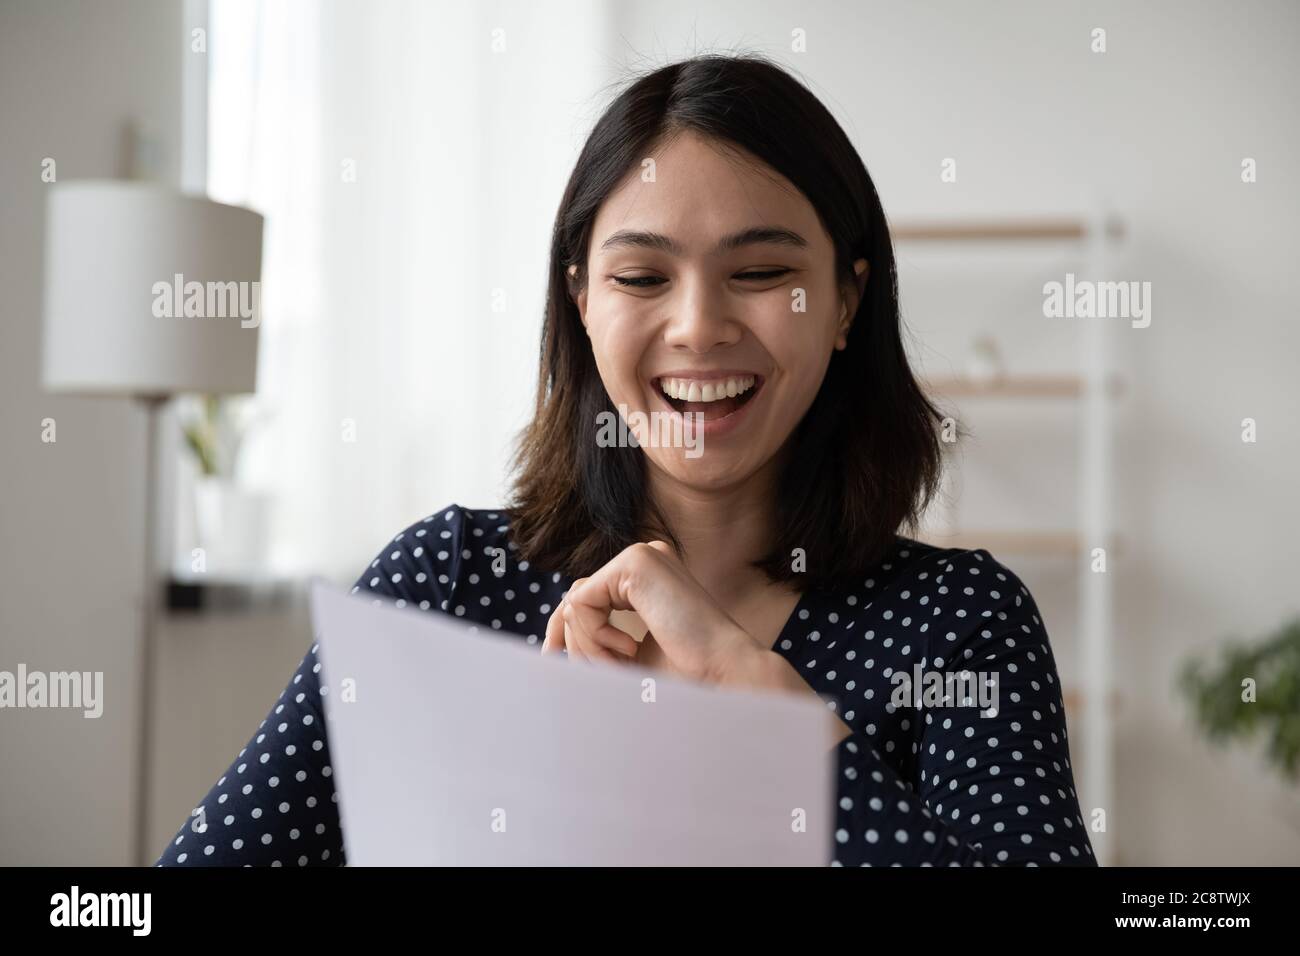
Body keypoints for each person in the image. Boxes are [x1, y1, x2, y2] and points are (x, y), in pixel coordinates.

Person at [157, 53, 1095, 867]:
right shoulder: (445, 586)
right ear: (581, 302)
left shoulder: (959, 623)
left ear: (846, 301)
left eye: (762, 272)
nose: (698, 328)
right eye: (643, 277)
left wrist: (758, 703)